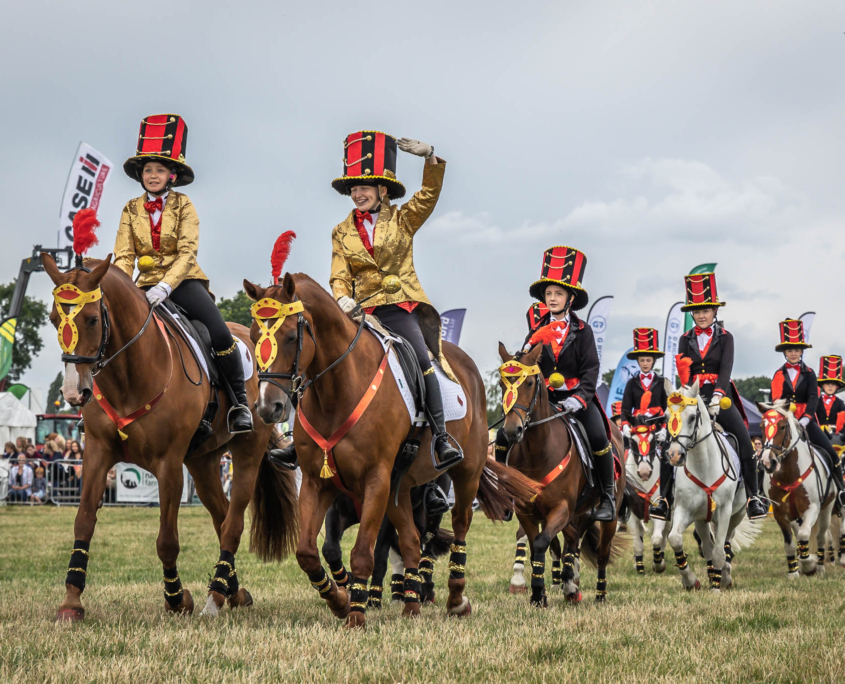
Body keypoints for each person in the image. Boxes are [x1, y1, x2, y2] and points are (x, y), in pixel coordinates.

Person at [271, 131, 459, 513]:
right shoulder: (340, 231)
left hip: (400, 308)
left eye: (365, 187)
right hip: (358, 311)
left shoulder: (403, 219)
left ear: (382, 189)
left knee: (422, 362)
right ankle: (297, 440)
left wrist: (431, 160)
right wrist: (341, 296)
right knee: (316, 362)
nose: (359, 193)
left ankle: (440, 437)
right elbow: (339, 272)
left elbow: (429, 196)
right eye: (354, 187)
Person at [114, 113, 252, 434]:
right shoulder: (130, 209)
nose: (152, 175)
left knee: (219, 332)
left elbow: (188, 252)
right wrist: (122, 288)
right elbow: (124, 255)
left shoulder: (184, 205)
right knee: (113, 332)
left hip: (183, 282)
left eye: (159, 169)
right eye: (147, 170)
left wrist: (165, 286)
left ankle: (238, 402)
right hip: (142, 287)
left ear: (171, 174)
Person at [521, 246, 616, 522]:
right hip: (544, 400)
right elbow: (526, 364)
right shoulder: (536, 331)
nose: (552, 298)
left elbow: (591, 370)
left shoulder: (585, 332)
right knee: (507, 435)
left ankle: (608, 496)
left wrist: (579, 398)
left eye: (558, 293)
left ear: (570, 298)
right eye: (548, 293)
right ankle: (507, 491)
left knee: (599, 436)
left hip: (577, 399)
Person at [661, 272, 767, 520]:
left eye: (706, 310)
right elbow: (684, 372)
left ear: (714, 311)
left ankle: (753, 497)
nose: (701, 315)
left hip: (721, 396)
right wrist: (686, 397)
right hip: (693, 397)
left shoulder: (726, 337)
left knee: (744, 440)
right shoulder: (685, 339)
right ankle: (664, 499)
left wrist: (718, 396)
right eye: (696, 311)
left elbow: (726, 369)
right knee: (669, 439)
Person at [770, 321, 845, 506]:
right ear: (785, 352)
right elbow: (776, 399)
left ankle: (841, 490)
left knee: (831, 452)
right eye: (790, 350)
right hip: (785, 422)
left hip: (806, 421)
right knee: (767, 453)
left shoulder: (810, 374)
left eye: (797, 349)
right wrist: (787, 417)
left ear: (802, 351)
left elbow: (813, 398)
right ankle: (762, 494)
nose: (793, 353)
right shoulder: (778, 374)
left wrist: (805, 419)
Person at [620, 327, 669, 505]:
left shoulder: (662, 382)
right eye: (642, 360)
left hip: (657, 428)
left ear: (653, 361)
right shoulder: (632, 383)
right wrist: (625, 425)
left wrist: (664, 428)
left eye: (648, 360)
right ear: (638, 361)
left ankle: (666, 494)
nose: (645, 363)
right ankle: (621, 494)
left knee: (670, 456)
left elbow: (667, 408)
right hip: (636, 428)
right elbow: (625, 409)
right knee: (620, 453)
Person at [816, 355, 845, 444]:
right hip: (818, 435)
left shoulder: (840, 403)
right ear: (822, 386)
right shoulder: (816, 402)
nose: (830, 386)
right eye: (827, 383)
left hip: (836, 437)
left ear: (837, 387)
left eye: (833, 384)